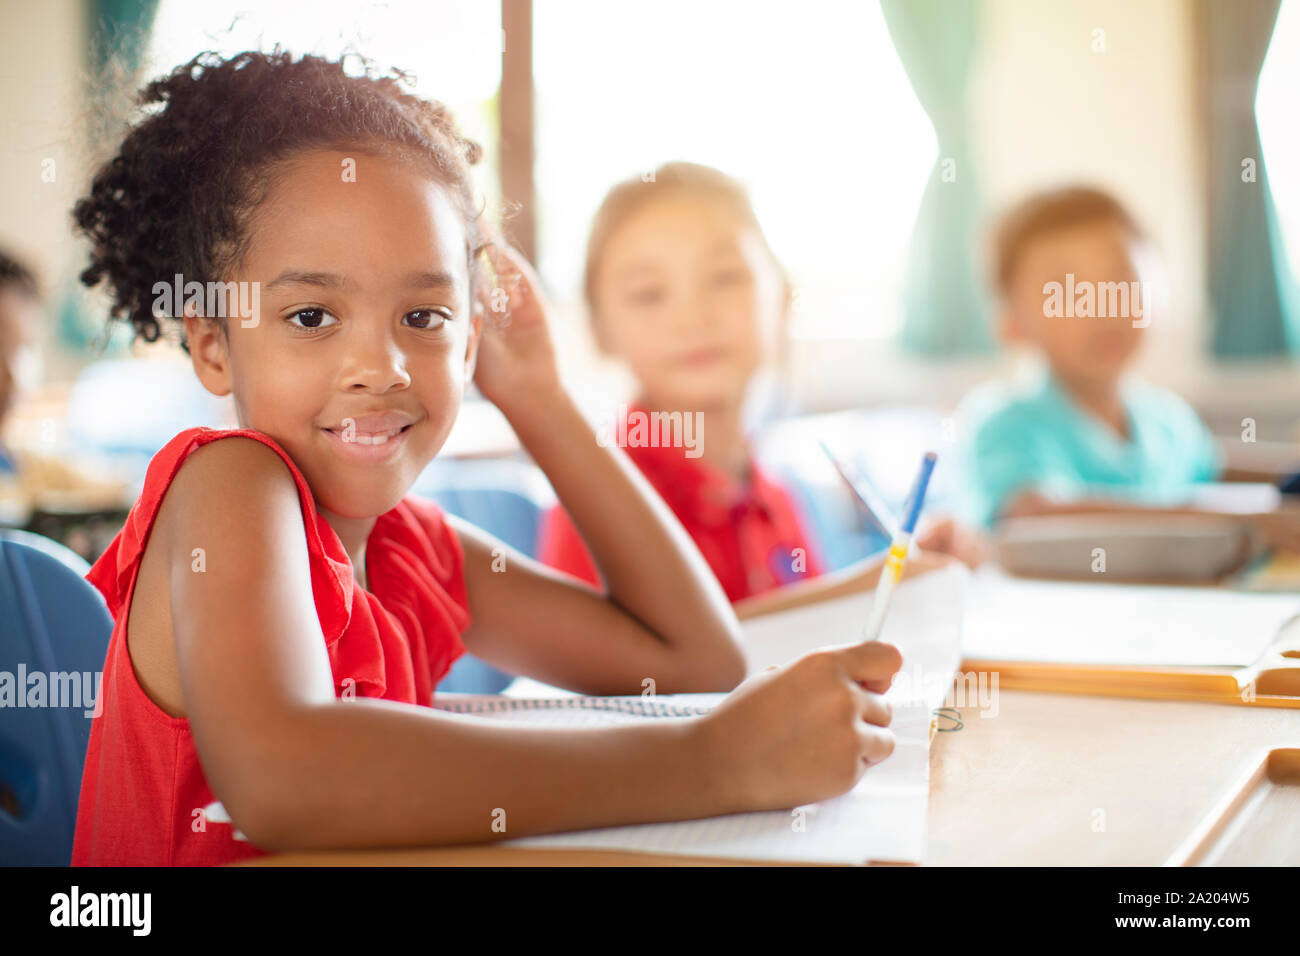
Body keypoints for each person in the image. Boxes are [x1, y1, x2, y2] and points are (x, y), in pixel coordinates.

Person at [69, 50, 904, 865]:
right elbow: (282, 778)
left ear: (471, 341)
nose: (383, 367)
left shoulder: (415, 554)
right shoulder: (228, 486)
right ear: (213, 345)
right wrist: (711, 765)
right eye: (312, 316)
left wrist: (538, 397)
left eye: (424, 317)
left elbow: (693, 660)